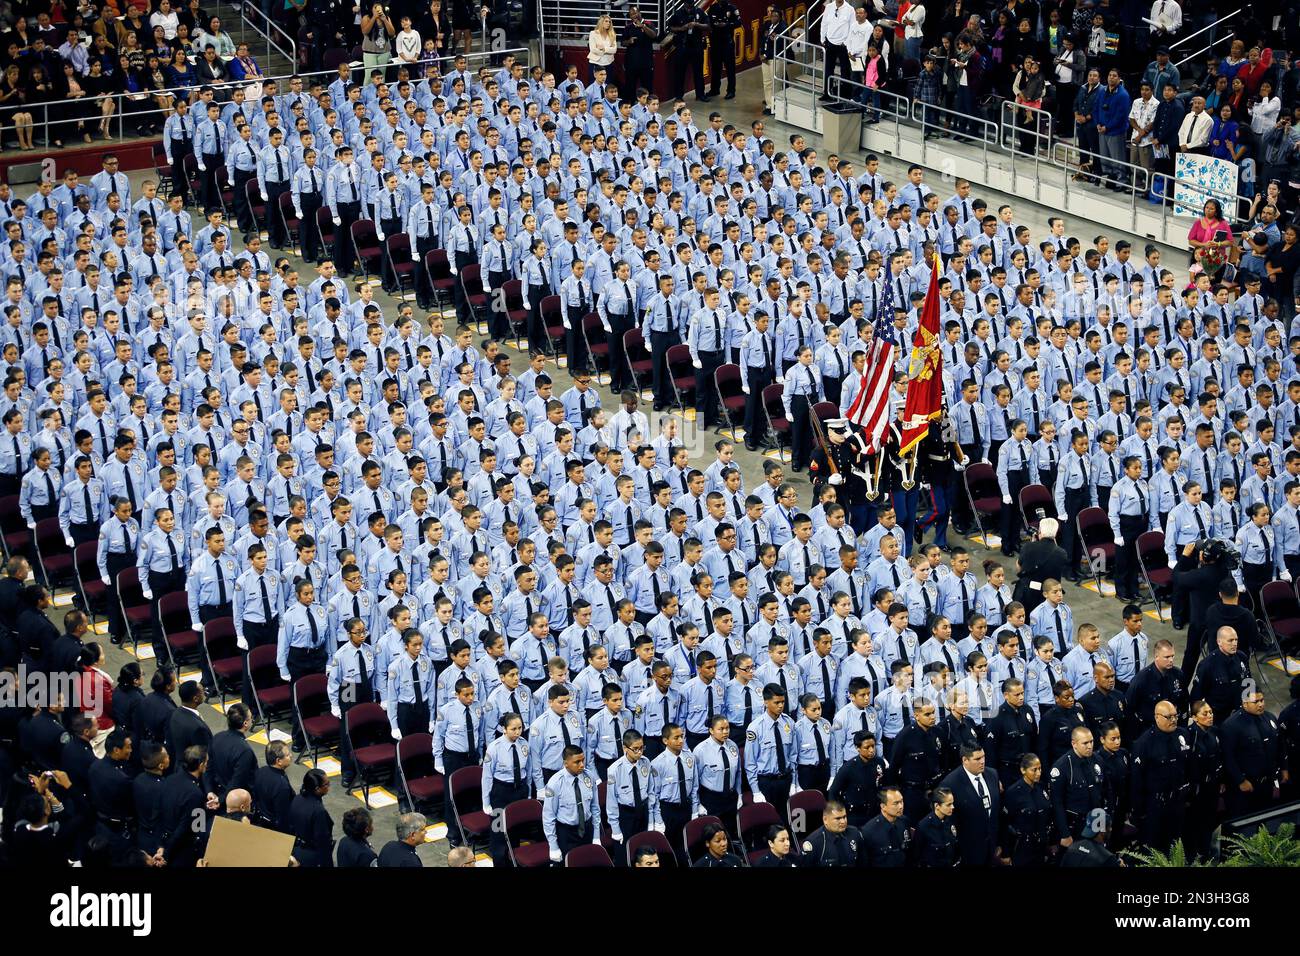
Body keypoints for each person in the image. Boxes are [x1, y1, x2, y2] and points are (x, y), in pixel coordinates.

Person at [939, 745, 1001, 865]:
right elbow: (948, 820)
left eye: (983, 757)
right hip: (967, 850)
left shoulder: (993, 774)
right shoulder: (950, 783)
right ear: (965, 760)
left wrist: (999, 843)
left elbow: (997, 813)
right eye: (977, 759)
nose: (982, 761)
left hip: (991, 846)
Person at [1011, 518, 1070, 615]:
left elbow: (1019, 569)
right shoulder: (1061, 553)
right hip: (1048, 597)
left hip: (1026, 594)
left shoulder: (1028, 547)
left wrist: (1032, 543)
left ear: (1040, 531)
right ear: (1055, 533)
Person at [798, 798, 865, 867]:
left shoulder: (854, 833)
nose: (843, 821)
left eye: (844, 817)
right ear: (825, 820)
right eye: (838, 818)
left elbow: (863, 863)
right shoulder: (814, 843)